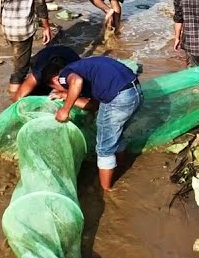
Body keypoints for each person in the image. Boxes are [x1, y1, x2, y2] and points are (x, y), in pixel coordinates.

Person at [46, 56, 143, 191]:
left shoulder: (64, 75)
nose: (61, 88)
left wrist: (65, 109)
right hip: (135, 93)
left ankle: (106, 190)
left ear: (56, 79)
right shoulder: (85, 69)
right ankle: (121, 166)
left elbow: (76, 82)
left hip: (119, 98)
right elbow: (95, 105)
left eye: (57, 87)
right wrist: (65, 96)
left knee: (104, 148)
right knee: (115, 134)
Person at [9, 44, 80, 102]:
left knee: (74, 93)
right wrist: (16, 105)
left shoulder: (76, 70)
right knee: (37, 95)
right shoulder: (39, 71)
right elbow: (20, 96)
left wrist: (65, 94)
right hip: (42, 58)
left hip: (67, 55)